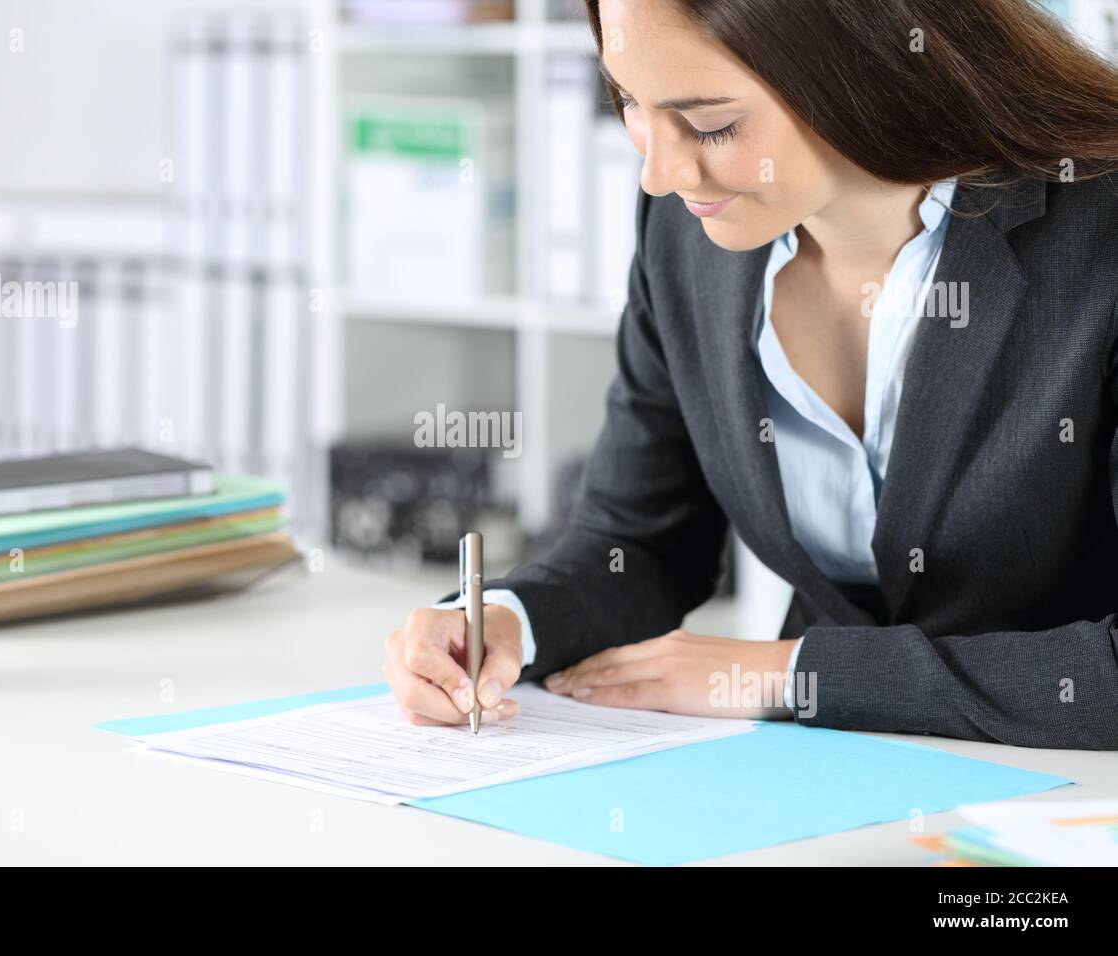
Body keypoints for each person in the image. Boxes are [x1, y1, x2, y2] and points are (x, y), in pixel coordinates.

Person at [381, 0, 1118, 749]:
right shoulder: (691, 232)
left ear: (871, 63)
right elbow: (638, 543)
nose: (660, 173)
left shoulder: (1101, 230)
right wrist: (507, 622)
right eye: (629, 102)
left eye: (710, 125)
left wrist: (789, 673)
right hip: (813, 771)